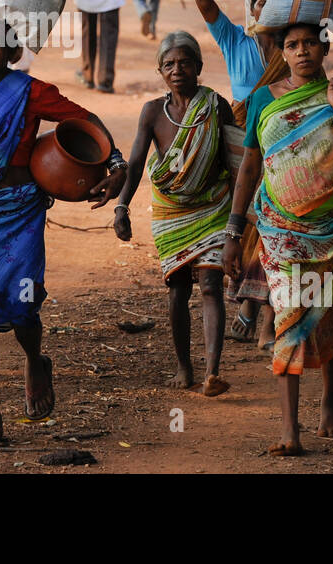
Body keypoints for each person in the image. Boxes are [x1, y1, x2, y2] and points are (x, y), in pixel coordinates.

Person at [0, 16, 127, 445]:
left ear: (13, 53)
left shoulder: (29, 92)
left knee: (23, 308)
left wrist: (115, 163)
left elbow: (86, 118)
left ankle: (35, 360)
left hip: (18, 217)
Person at [223, 21, 333, 457]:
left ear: (324, 47)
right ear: (281, 51)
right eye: (292, 45)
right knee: (288, 321)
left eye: (309, 44)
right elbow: (250, 167)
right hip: (280, 233)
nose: (301, 52)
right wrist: (233, 229)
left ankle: (330, 403)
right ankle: (289, 428)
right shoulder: (263, 99)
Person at [113, 32, 234, 397]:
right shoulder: (152, 111)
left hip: (213, 205)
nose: (177, 69)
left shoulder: (215, 106)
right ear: (160, 71)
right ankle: (184, 365)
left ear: (199, 67)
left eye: (184, 62)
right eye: (169, 64)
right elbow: (135, 164)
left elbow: (235, 159)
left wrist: (241, 218)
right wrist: (122, 206)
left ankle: (212, 371)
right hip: (171, 212)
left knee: (211, 284)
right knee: (178, 287)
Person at [196, 0, 278, 345]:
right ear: (252, 7)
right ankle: (249, 301)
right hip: (243, 148)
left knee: (271, 222)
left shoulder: (293, 50)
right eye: (261, 2)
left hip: (281, 147)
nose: (267, 8)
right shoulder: (235, 42)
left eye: (275, 2)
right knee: (245, 222)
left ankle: (263, 318)